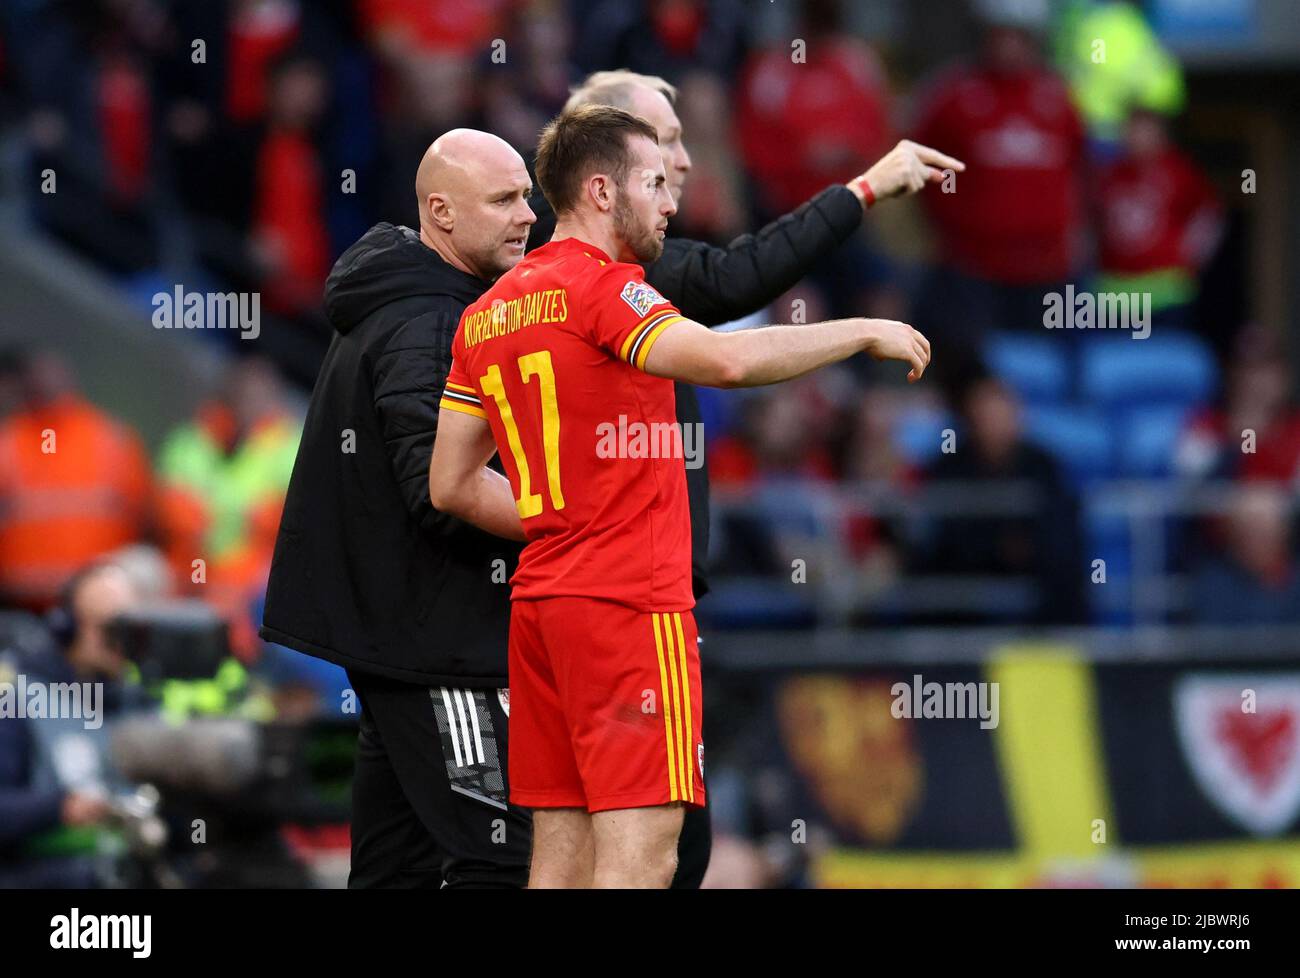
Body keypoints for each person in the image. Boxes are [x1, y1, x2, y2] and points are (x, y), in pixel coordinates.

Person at [428, 104, 930, 887]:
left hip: (542, 613)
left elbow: (450, 484)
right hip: (628, 608)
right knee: (643, 853)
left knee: (560, 856)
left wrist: (561, 521)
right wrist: (859, 331)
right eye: (654, 181)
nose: (671, 201)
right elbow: (722, 363)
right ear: (600, 191)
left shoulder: (485, 316)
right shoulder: (604, 290)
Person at [260, 129, 536, 888]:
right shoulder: (433, 322)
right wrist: (575, 521)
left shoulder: (415, 302)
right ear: (442, 213)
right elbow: (442, 492)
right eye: (505, 199)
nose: (529, 216)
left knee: (395, 863)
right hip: (437, 645)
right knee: (499, 851)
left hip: (403, 636)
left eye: (526, 194)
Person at [0, 351, 152, 611]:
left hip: (98, 603)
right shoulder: (9, 441)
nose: (46, 382)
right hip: (18, 603)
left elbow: (147, 518)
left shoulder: (110, 439)